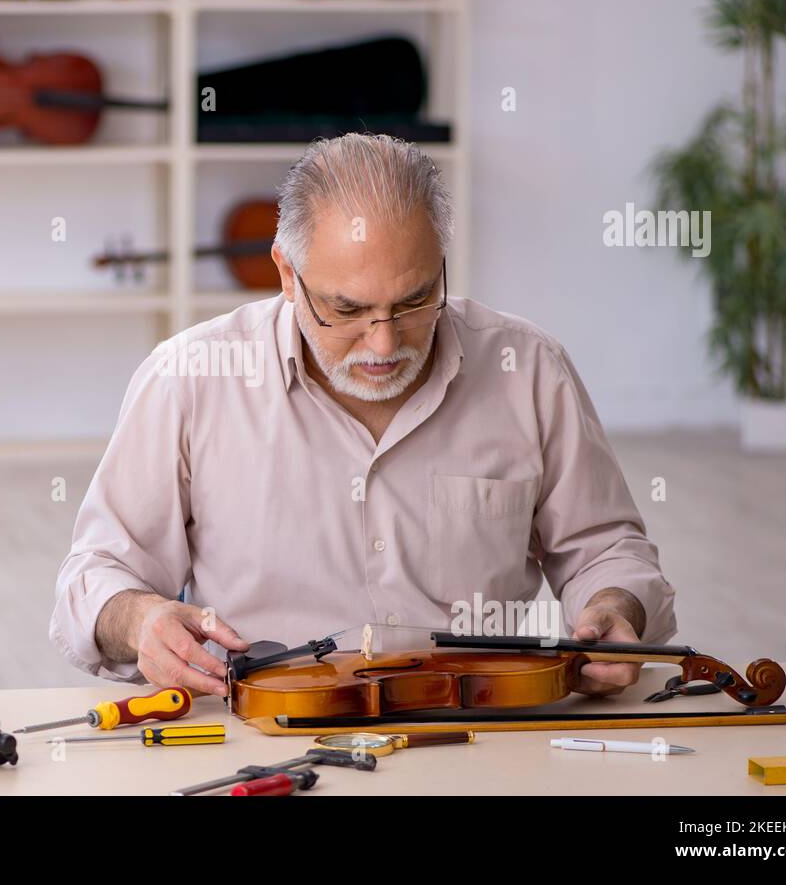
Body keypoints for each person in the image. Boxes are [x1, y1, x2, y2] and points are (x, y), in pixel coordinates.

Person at [51, 133, 677, 698]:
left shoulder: (529, 368)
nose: (384, 345)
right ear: (286, 274)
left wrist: (615, 607)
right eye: (347, 310)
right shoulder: (187, 378)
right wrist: (140, 621)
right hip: (270, 731)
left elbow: (604, 547)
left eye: (414, 301)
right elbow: (96, 577)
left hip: (483, 727)